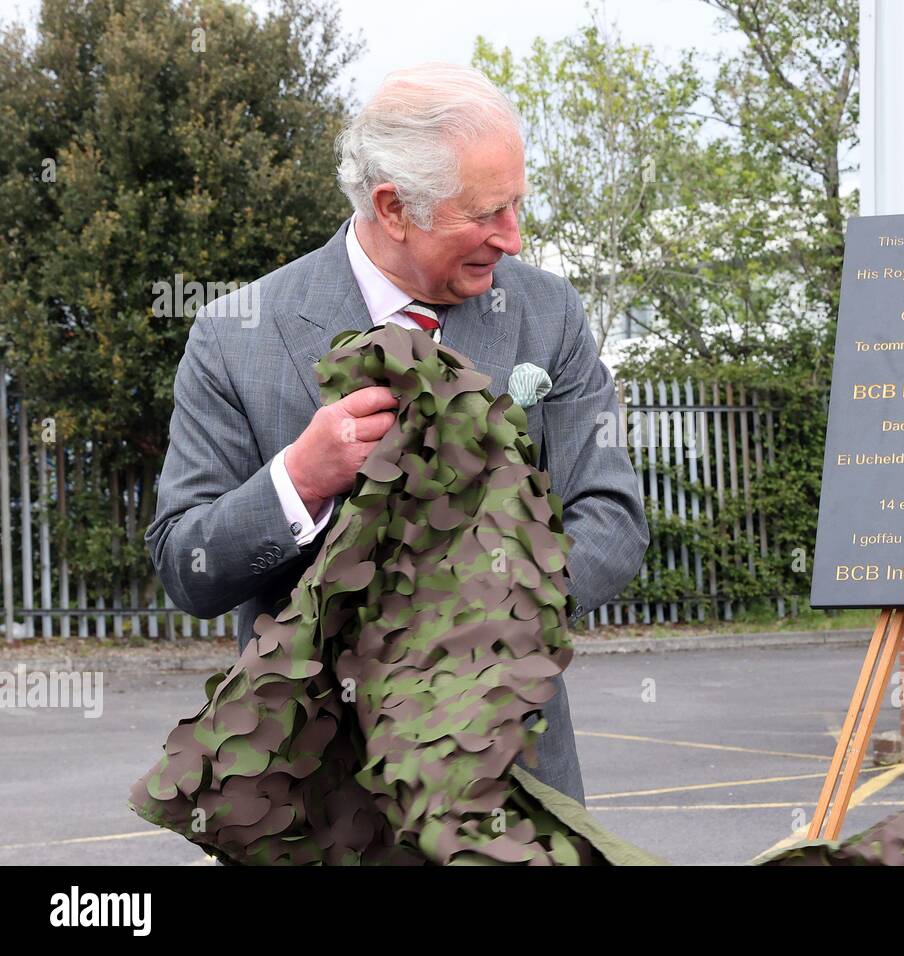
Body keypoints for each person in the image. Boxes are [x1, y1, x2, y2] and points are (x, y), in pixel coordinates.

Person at [144, 63, 649, 806]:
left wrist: (494, 607)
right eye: (486, 214)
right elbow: (186, 566)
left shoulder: (550, 315)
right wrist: (300, 479)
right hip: (317, 801)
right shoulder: (235, 336)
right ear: (393, 207)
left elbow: (611, 518)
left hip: (511, 788)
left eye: (516, 206)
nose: (513, 237)